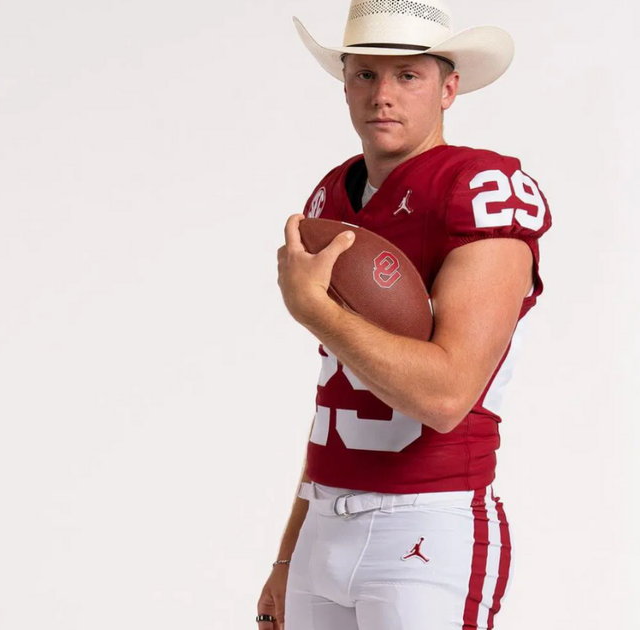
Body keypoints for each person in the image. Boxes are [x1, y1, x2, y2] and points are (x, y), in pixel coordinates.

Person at [259, 2, 552, 628]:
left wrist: (315, 310)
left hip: (426, 523)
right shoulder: (333, 193)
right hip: (321, 525)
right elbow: (338, 393)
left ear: (449, 88)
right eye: (365, 74)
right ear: (344, 84)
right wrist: (289, 553)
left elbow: (445, 396)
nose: (382, 95)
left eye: (407, 75)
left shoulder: (477, 186)